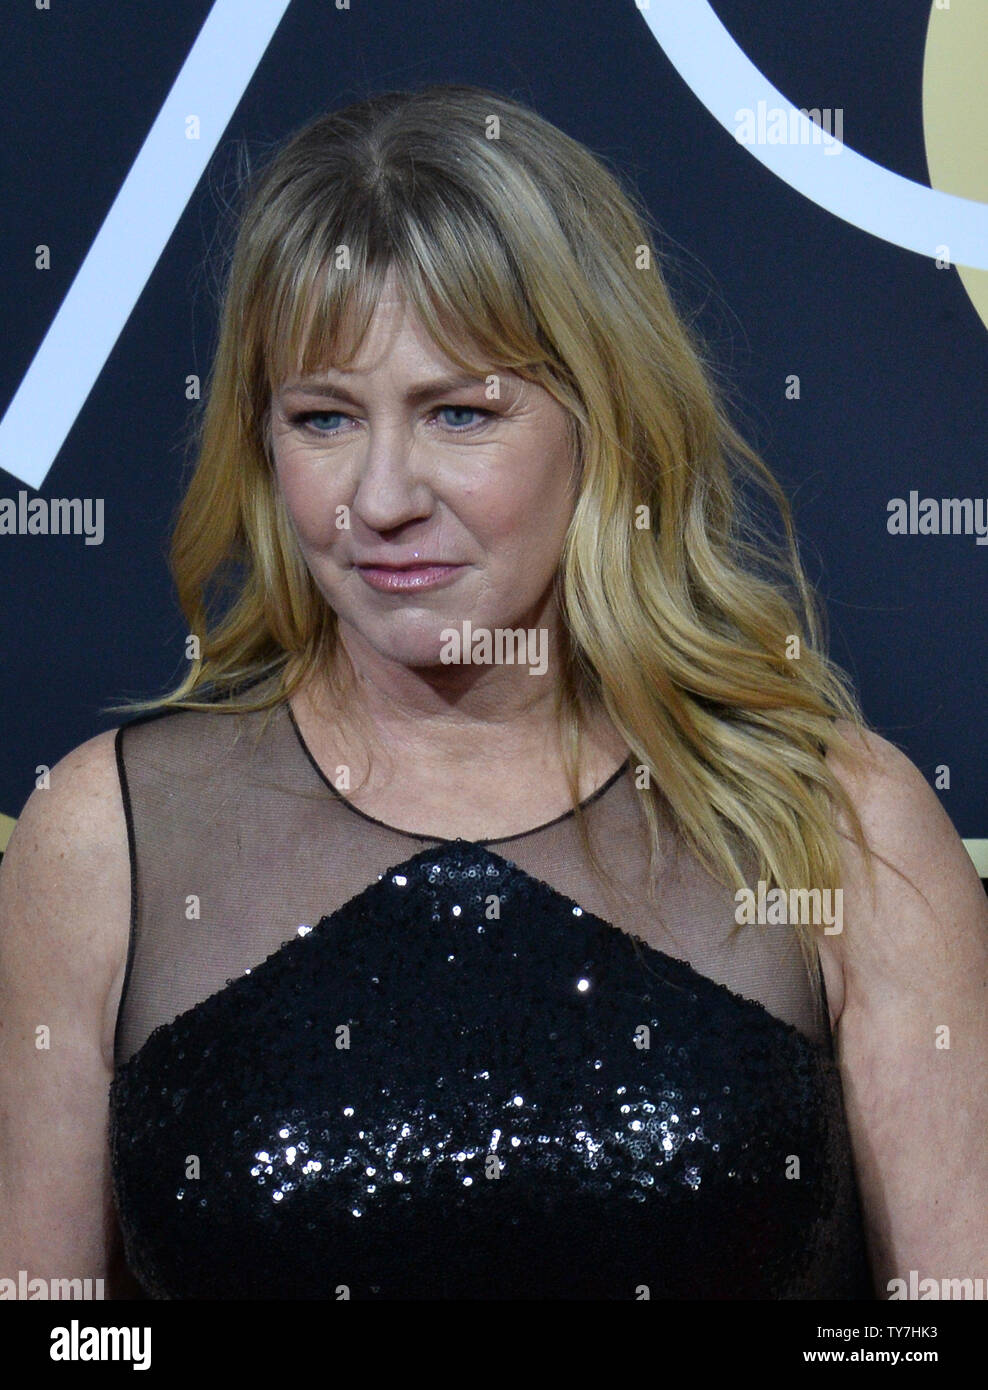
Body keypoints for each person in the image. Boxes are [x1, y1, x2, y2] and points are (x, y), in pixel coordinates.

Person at [1, 83, 985, 1301]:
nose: (385, 493)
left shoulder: (838, 824)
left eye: (459, 412)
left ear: (604, 421)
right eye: (322, 418)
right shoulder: (105, 838)